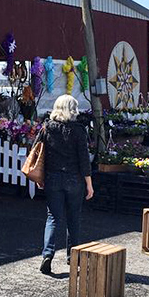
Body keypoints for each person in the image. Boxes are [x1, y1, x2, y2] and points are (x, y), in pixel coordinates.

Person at [39, 94, 94, 275]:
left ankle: (47, 254)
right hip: (74, 179)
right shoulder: (79, 130)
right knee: (73, 218)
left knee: (53, 218)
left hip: (52, 178)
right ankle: (73, 257)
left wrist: (40, 178)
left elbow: (39, 153)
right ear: (73, 109)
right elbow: (84, 160)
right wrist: (89, 184)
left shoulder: (47, 127)